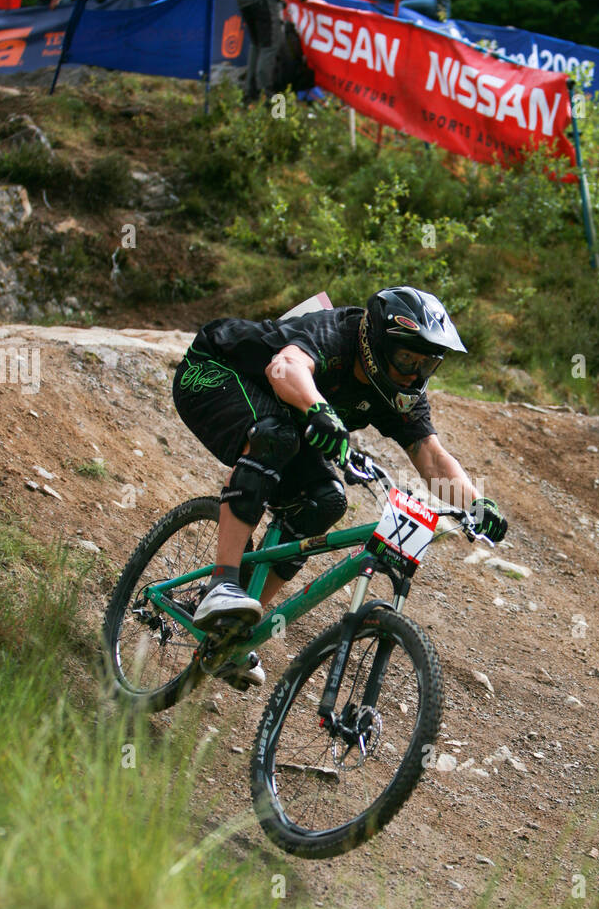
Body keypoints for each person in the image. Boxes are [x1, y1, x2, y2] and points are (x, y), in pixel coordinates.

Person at [171, 287, 508, 688]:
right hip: (214, 372)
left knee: (325, 501)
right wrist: (320, 409)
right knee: (275, 436)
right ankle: (222, 583)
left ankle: (229, 631)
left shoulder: (400, 393)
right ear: (378, 344)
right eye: (406, 359)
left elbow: (430, 455)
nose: (415, 374)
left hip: (287, 414)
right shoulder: (336, 334)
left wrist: (475, 504)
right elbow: (285, 367)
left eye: (428, 365)